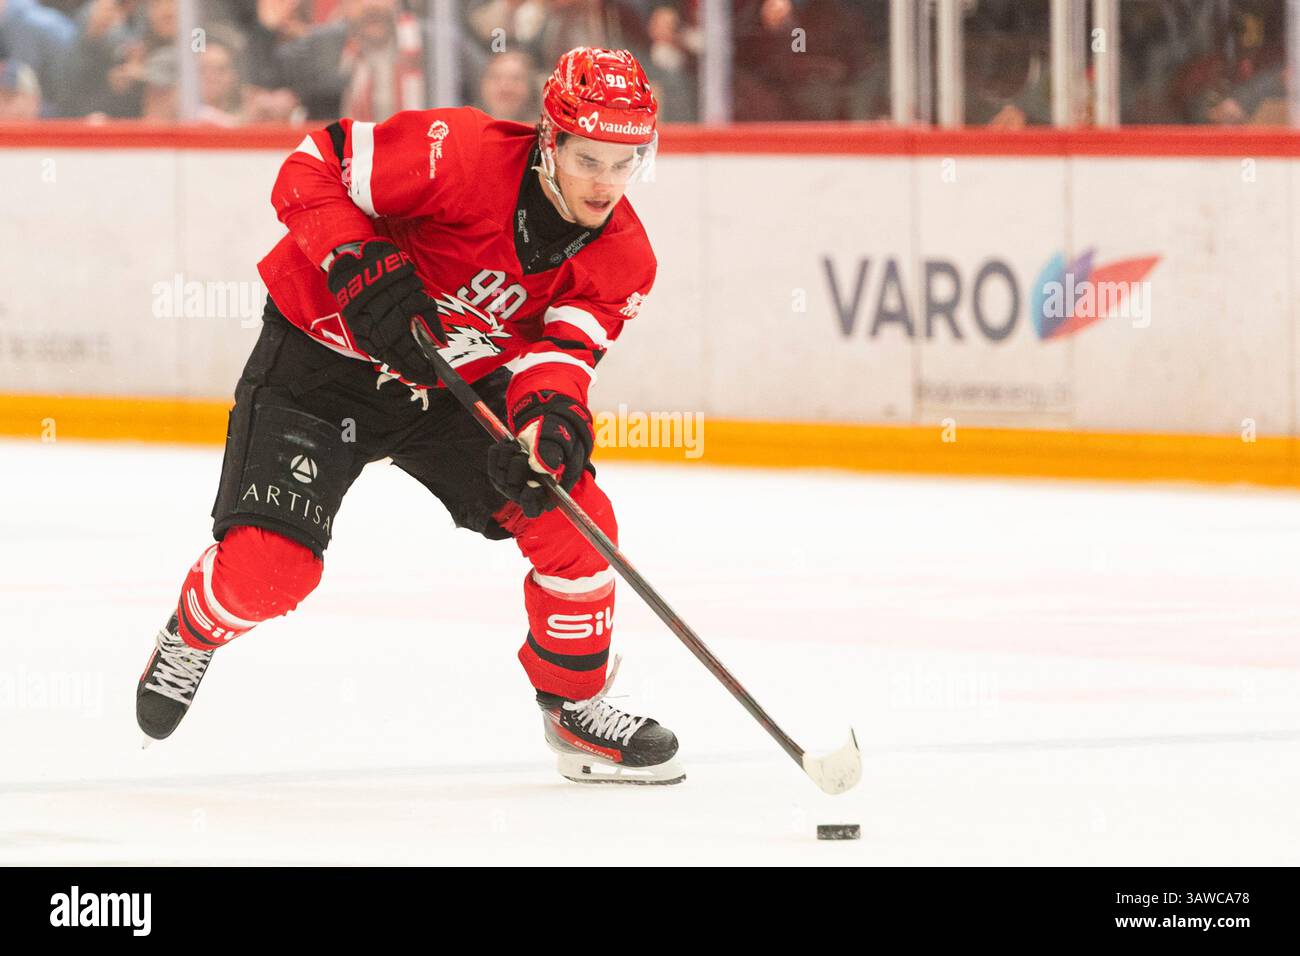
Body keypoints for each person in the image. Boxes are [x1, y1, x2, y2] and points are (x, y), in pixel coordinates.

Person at [135, 46, 683, 786]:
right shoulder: (456, 154)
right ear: (549, 140)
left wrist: (548, 429)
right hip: (322, 358)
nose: (606, 185)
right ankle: (194, 630)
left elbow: (560, 362)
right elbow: (307, 166)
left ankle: (574, 708)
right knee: (271, 574)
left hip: (453, 385)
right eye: (590, 159)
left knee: (576, 521)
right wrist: (358, 260)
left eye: (627, 164)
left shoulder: (624, 257)